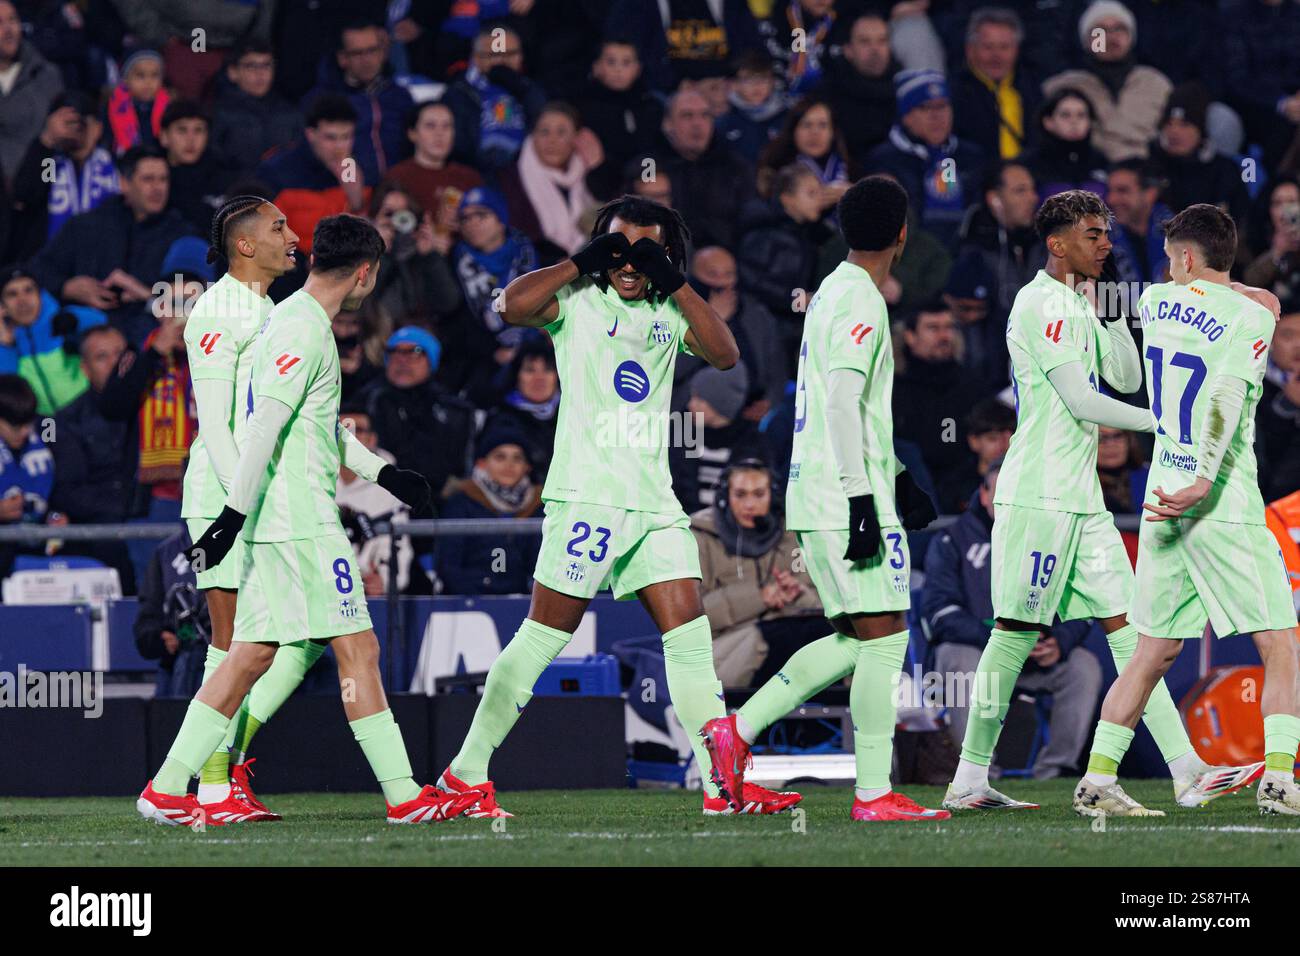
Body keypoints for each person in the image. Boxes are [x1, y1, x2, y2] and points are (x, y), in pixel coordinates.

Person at [435, 194, 802, 819]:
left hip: (654, 501)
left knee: (688, 640)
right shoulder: (575, 301)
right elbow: (510, 306)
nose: (629, 263)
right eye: (618, 249)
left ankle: (721, 788)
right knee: (544, 635)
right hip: (587, 496)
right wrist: (581, 261)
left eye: (645, 252)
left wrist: (677, 281)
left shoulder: (668, 307)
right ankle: (463, 775)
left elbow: (725, 353)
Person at [138, 214, 471, 827]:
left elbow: (305, 424)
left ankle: (168, 785)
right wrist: (232, 511)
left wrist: (381, 474)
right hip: (290, 513)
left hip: (273, 509)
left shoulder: (282, 319)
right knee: (353, 645)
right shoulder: (287, 325)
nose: (287, 235)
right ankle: (402, 795)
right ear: (366, 273)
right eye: (276, 225)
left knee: (252, 653)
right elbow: (256, 423)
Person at [941, 190, 1256, 813]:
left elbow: (1128, 375)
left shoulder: (1080, 302)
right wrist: (1166, 423)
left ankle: (1188, 770)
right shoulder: (1037, 303)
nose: (1106, 243)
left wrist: (1107, 314)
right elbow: (1084, 401)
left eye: (1107, 233)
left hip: (1081, 498)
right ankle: (969, 779)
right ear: (1057, 243)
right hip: (1039, 494)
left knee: (1132, 631)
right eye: (1093, 234)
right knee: (1014, 633)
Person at [700, 175, 949, 822]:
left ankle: (736, 732)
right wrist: (865, 499)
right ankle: (872, 793)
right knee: (886, 634)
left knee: (855, 636)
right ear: (902, 234)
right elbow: (840, 401)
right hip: (844, 496)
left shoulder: (832, 292)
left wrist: (896, 478)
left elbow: (847, 406)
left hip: (823, 490)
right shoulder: (861, 299)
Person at [1074, 204, 1300, 817]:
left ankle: (1097, 778)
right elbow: (1228, 391)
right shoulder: (1252, 314)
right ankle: (1280, 777)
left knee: (1152, 651)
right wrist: (1206, 479)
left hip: (1160, 497)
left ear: (1186, 259)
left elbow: (1140, 290)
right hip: (1217, 497)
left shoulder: (1151, 303)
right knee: (1280, 641)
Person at [924, 461, 1103, 778]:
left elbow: (1080, 607)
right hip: (977, 653)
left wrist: (1058, 642)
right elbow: (940, 614)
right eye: (1000, 493)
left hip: (1034, 658)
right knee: (959, 657)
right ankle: (976, 771)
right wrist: (999, 639)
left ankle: (1055, 771)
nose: (1009, 501)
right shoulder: (952, 541)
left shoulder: (1052, 540)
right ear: (984, 494)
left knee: (1083, 666)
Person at [29, 145, 194, 331]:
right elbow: (38, 268)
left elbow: (196, 300)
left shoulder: (183, 235)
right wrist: (66, 287)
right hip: (89, 338)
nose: (158, 188)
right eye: (148, 179)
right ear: (124, 183)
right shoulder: (86, 225)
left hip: (152, 338)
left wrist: (144, 293)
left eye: (163, 180)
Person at [691, 459, 823, 688]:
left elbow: (823, 605)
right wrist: (759, 598)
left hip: (789, 637)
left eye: (759, 494)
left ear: (772, 496)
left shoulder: (793, 533)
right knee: (771, 637)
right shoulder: (699, 536)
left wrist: (798, 594)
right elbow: (694, 616)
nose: (750, 504)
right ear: (724, 498)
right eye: (740, 495)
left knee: (830, 634)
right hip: (724, 648)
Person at [47, 325, 138, 591]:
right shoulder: (64, 422)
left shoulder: (153, 405)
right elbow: (67, 492)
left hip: (152, 521)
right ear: (85, 369)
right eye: (102, 357)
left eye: (121, 354)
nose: (115, 363)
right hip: (102, 538)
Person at [865, 68, 986, 251]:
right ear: (905, 116)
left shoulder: (972, 156)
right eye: (925, 107)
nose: (937, 116)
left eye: (943, 106)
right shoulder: (884, 160)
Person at [1041, 1, 1172, 163]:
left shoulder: (1156, 84)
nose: (1111, 37)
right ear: (1087, 39)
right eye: (1100, 31)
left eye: (1119, 29)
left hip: (1146, 173)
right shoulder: (1063, 86)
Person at [362, 325, 476, 503]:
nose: (402, 360)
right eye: (395, 352)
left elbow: (460, 468)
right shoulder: (367, 403)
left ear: (431, 360)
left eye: (414, 352)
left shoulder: (455, 410)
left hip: (439, 504)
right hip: (377, 498)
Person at [891, 302, 987, 512]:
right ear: (909, 336)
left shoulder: (973, 386)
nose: (944, 336)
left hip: (964, 498)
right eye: (933, 328)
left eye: (949, 327)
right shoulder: (890, 389)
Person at [6, 90, 117, 263]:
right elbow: (30, 193)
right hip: (49, 263)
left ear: (97, 126)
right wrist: (47, 140)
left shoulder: (111, 165)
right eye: (68, 123)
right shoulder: (51, 162)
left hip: (101, 264)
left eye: (81, 122)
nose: (75, 130)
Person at [256, 94, 371, 256]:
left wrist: (355, 196)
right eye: (330, 138)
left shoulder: (360, 167)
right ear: (311, 134)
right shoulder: (279, 169)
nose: (339, 146)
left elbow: (368, 234)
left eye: (346, 137)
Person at [302, 20, 413, 184]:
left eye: (372, 50)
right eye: (358, 53)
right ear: (342, 58)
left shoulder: (400, 96)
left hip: (397, 193)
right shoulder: (319, 100)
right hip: (343, 194)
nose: (367, 60)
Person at [435, 428, 543, 596]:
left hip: (525, 602)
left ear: (527, 467)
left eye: (517, 458)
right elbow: (448, 566)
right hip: (469, 604)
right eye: (500, 457)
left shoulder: (539, 505)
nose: (509, 465)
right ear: (482, 463)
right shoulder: (462, 502)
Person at [648, 88, 757, 250]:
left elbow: (751, 222)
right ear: (667, 124)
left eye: (705, 115)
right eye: (687, 115)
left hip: (724, 260)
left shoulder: (737, 167)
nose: (697, 124)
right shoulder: (648, 165)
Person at [443, 24, 549, 174]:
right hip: (476, 176)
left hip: (529, 175)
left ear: (521, 56)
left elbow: (545, 128)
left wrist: (523, 91)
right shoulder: (458, 94)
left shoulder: (532, 91)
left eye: (510, 54)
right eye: (493, 55)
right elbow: (458, 149)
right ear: (476, 58)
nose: (501, 61)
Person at [498, 102, 600, 257]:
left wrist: (598, 168)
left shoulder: (590, 172)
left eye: (561, 132)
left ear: (576, 138)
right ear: (533, 136)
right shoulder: (509, 180)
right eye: (544, 132)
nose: (552, 140)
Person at [336, 404, 413, 598]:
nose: (349, 437)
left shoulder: (391, 485)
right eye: (341, 429)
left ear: (372, 439)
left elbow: (398, 544)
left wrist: (384, 579)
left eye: (358, 430)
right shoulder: (306, 476)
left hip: (369, 590)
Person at [572, 38, 664, 200]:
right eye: (611, 62)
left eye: (626, 62)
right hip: (597, 189)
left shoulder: (650, 106)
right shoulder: (582, 107)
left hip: (644, 183)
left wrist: (647, 182)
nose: (618, 70)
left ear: (637, 68)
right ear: (597, 67)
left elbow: (651, 152)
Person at [1147, 84, 1250, 226]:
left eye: (1184, 124)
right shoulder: (1150, 165)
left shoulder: (1224, 170)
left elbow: (1238, 221)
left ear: (1202, 130)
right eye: (1169, 123)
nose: (1174, 132)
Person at [950, 6, 1040, 161]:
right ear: (970, 50)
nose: (996, 55)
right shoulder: (954, 92)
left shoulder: (1033, 88)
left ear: (1016, 50)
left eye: (1004, 47)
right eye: (988, 47)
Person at [380, 100, 482, 236]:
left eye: (447, 126)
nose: (439, 134)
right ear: (412, 133)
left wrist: (464, 224)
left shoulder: (470, 178)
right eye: (430, 126)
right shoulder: (397, 177)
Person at [211, 40, 304, 175]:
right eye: (251, 66)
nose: (260, 73)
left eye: (266, 65)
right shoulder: (219, 114)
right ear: (233, 72)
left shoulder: (289, 112)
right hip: (237, 189)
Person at [819, 12, 898, 166]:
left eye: (882, 41)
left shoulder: (904, 88)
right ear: (848, 49)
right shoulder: (829, 93)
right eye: (865, 42)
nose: (875, 49)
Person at [0, 373, 55, 584]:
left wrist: (57, 513)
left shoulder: (48, 429)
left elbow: (65, 486)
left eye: (28, 424)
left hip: (38, 541)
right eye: (15, 427)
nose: (24, 432)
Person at [0, 0, 64, 181]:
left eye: (13, 20)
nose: (8, 30)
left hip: (36, 192)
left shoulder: (46, 76)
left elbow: (53, 146)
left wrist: (46, 184)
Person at [159, 100, 234, 237]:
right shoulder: (152, 178)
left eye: (198, 130)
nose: (191, 139)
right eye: (182, 130)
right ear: (164, 137)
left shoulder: (224, 176)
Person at [1022, 87, 1108, 201]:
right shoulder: (1029, 164)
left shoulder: (1101, 161)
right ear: (1048, 122)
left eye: (1081, 115)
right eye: (1065, 115)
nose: (1074, 121)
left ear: (1090, 122)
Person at [1106, 158, 1172, 291]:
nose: (1111, 199)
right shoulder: (1102, 241)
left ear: (1150, 194)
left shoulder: (1184, 236)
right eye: (1110, 191)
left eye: (1122, 191)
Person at [713, 50, 787, 166]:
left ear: (772, 82)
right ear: (734, 84)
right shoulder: (723, 121)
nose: (757, 86)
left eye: (763, 78)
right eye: (748, 79)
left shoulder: (786, 119)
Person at [106, 49, 168, 154]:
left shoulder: (169, 108)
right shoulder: (111, 108)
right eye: (140, 76)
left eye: (154, 75)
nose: (148, 82)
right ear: (125, 80)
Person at [1097, 426, 1149, 515]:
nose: (1111, 444)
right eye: (1101, 437)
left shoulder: (1151, 478)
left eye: (1117, 436)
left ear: (1129, 440)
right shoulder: (1077, 483)